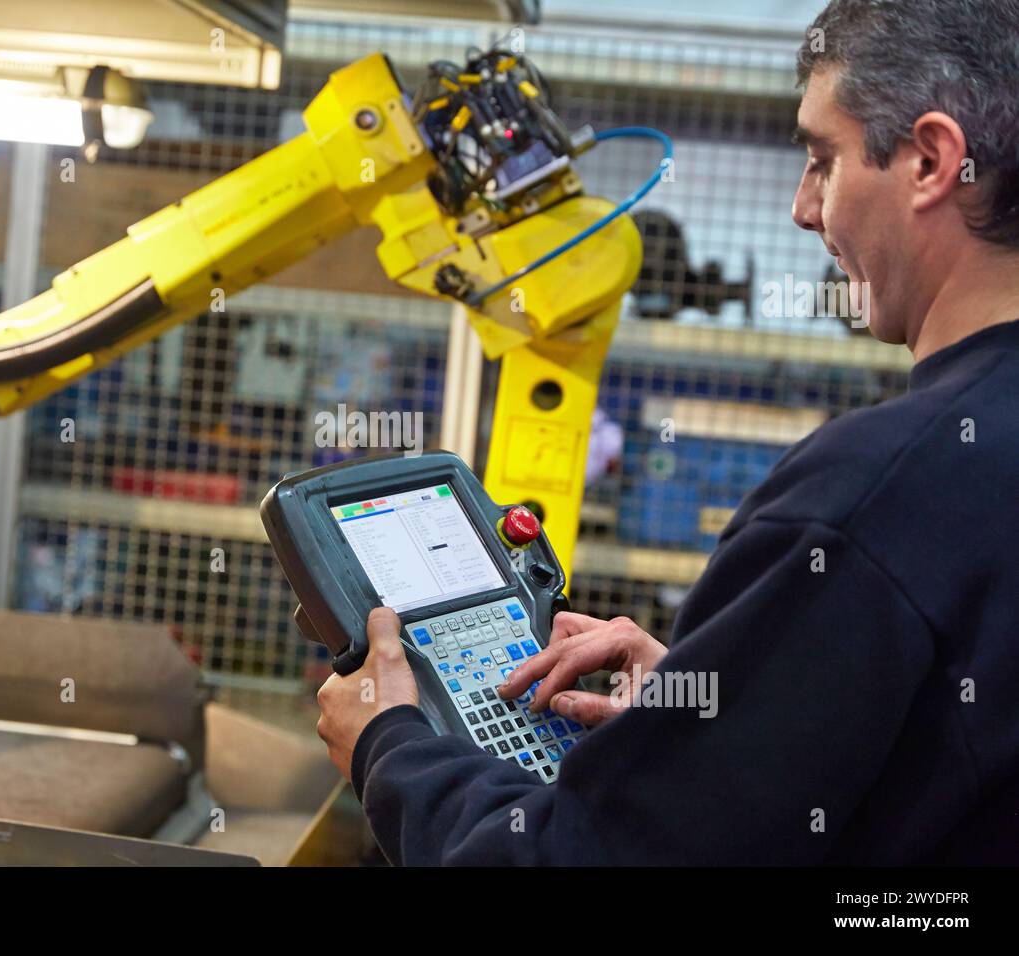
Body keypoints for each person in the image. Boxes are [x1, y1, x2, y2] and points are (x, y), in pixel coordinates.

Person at [314, 0, 1019, 864]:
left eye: (821, 159)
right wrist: (721, 705)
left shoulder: (870, 496)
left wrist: (391, 748)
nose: (804, 208)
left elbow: (584, 860)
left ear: (930, 160)